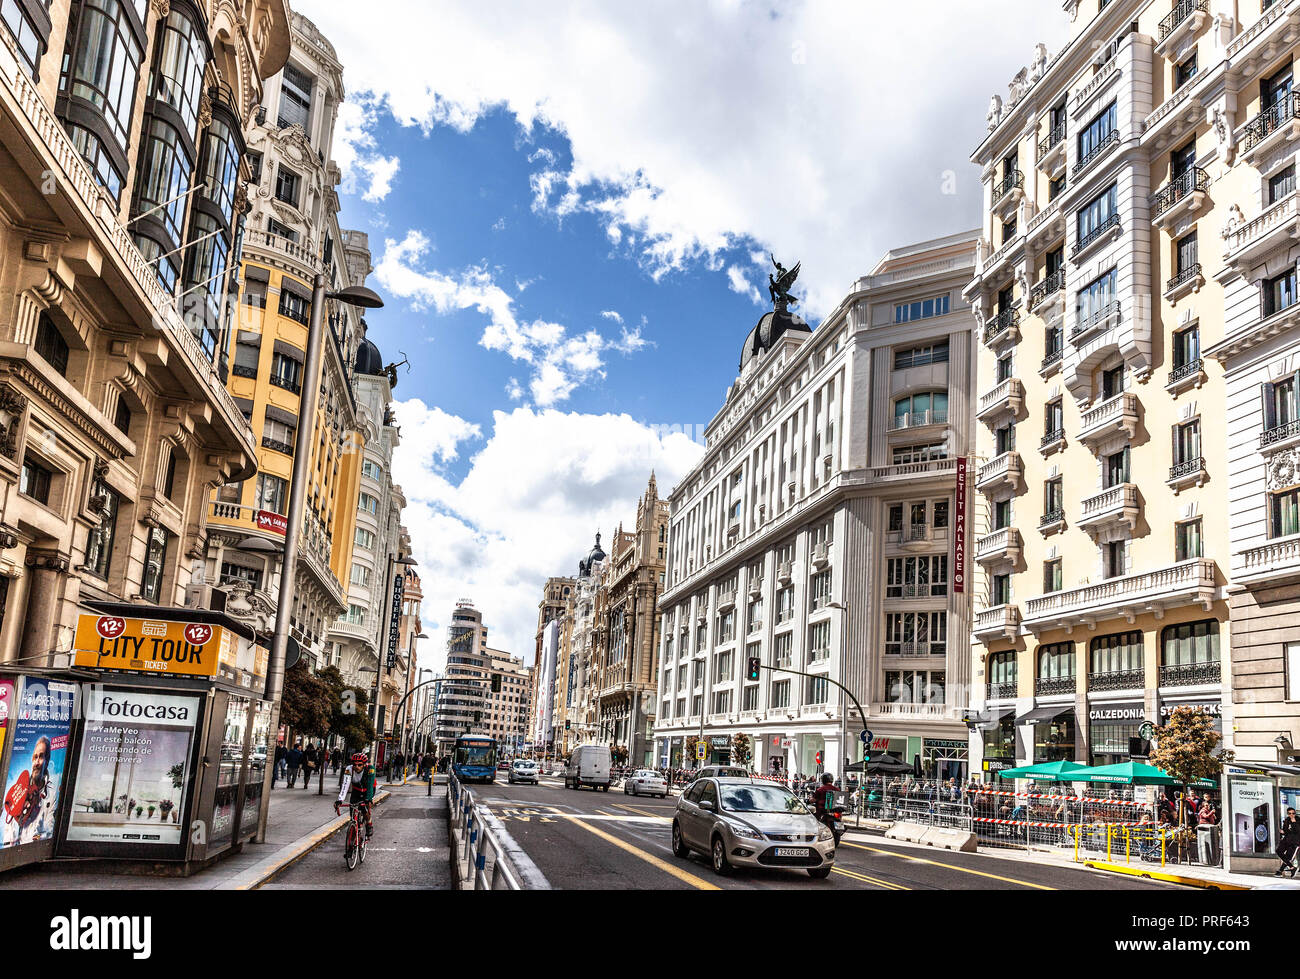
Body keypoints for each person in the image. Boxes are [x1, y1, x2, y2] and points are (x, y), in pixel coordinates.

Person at [336, 752, 377, 839]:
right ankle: (354, 829)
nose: (357, 767)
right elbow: (345, 784)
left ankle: (369, 824)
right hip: (357, 790)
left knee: (363, 808)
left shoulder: (370, 769)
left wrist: (369, 799)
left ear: (364, 764)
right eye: (354, 765)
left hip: (368, 790)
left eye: (359, 765)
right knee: (353, 809)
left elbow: (370, 784)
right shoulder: (349, 769)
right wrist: (340, 800)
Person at [1275, 807, 1300, 877]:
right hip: (1286, 840)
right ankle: (1292, 868)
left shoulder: (1298, 820)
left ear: (1295, 813)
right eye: (1290, 813)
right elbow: (1285, 830)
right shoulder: (1286, 820)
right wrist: (1283, 832)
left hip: (1295, 842)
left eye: (1293, 813)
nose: (1292, 815)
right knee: (1278, 851)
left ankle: (1280, 871)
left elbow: (1298, 831)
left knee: (1288, 857)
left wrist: (1294, 822)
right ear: (1288, 814)